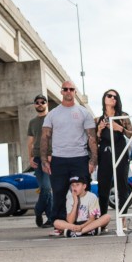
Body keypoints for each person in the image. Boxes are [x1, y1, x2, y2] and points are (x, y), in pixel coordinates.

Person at [40, 81, 97, 234]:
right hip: (59, 159)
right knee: (58, 193)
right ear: (61, 91)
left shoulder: (83, 112)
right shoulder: (52, 114)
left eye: (71, 89)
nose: (68, 91)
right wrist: (44, 159)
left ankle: (85, 225)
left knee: (83, 192)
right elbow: (45, 136)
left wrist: (93, 160)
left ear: (75, 92)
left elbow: (92, 137)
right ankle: (60, 226)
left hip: (80, 158)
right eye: (65, 89)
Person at [95, 89, 132, 215]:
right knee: (103, 187)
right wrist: (99, 131)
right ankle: (102, 220)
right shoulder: (97, 120)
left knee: (122, 186)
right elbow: (93, 141)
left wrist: (121, 129)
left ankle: (122, 218)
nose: (113, 98)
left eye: (115, 97)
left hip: (120, 153)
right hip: (105, 154)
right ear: (104, 99)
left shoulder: (123, 116)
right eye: (109, 96)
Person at [26, 94, 53, 228]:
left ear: (46, 103)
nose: (40, 104)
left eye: (43, 102)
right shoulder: (32, 122)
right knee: (44, 188)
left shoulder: (52, 118)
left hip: (50, 157)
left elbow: (57, 137)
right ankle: (51, 218)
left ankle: (38, 210)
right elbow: (30, 142)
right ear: (35, 105)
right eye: (37, 102)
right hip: (37, 157)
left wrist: (52, 154)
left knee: (47, 188)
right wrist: (30, 157)